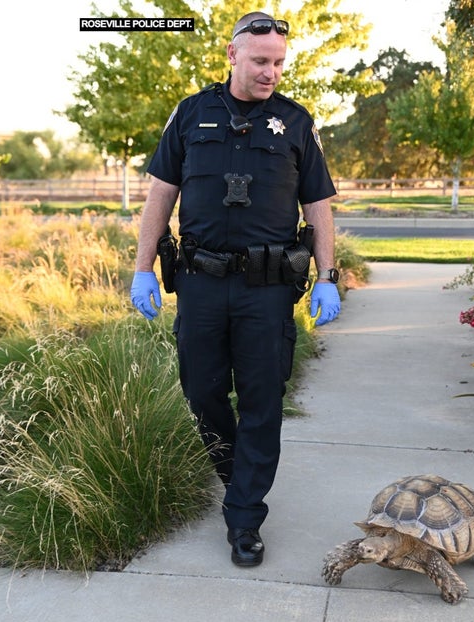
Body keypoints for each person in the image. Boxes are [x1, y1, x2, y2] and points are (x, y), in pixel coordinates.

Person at [129, 12, 342, 567]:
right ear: (232, 55)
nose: (271, 72)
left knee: (262, 401)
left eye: (278, 63)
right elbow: (160, 195)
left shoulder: (296, 123)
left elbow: (317, 204)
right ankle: (237, 474)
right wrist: (142, 267)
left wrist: (327, 277)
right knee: (201, 394)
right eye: (261, 61)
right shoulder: (191, 113)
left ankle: (244, 518)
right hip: (199, 284)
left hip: (266, 292)